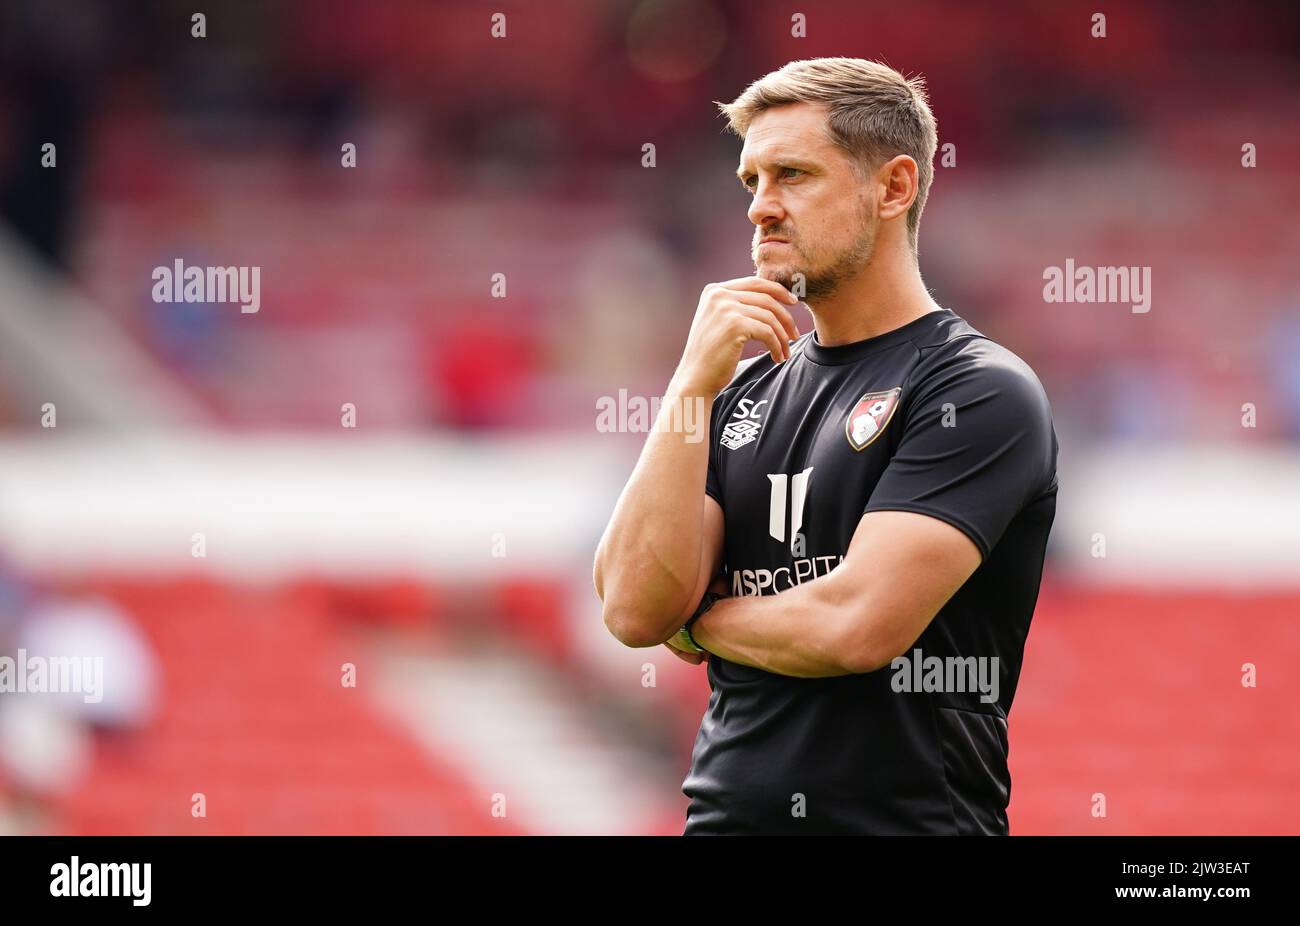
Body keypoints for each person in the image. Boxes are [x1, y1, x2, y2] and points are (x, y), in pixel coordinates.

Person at [593, 57, 1058, 834]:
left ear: (894, 188)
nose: (761, 209)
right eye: (752, 182)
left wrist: (701, 620)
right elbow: (634, 608)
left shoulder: (974, 390)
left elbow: (856, 625)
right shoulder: (735, 395)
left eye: (793, 175)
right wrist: (687, 388)